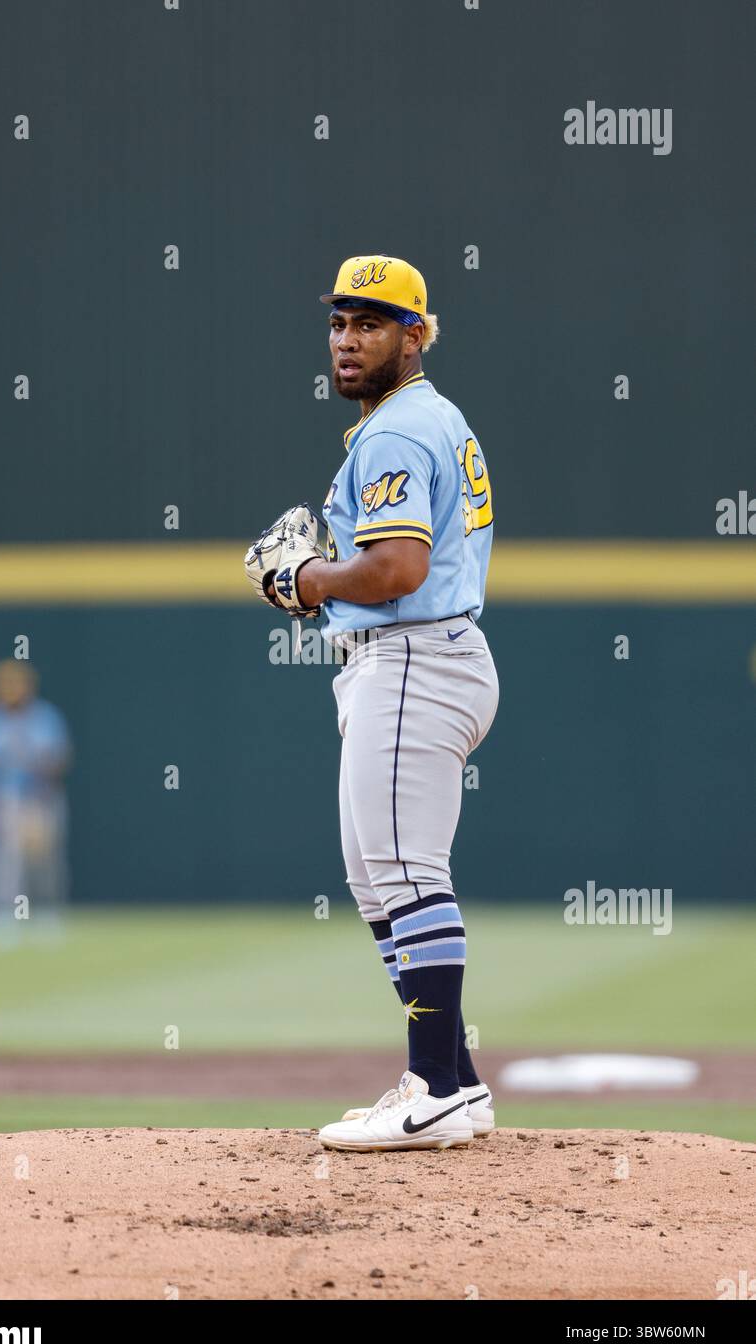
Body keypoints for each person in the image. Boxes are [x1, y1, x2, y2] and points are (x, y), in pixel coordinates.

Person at [245, 256, 499, 1151]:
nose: (349, 341)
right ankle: (457, 1080)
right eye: (340, 323)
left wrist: (304, 579)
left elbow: (398, 570)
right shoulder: (425, 421)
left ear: (415, 334)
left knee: (405, 873)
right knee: (375, 876)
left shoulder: (396, 431)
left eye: (374, 323)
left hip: (412, 659)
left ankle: (431, 1083)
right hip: (417, 660)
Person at [0, 660, 72, 939]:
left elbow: (60, 756)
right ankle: (4, 916)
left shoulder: (44, 717)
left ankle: (47, 915)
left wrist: (37, 768)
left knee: (44, 862)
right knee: (5, 862)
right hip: (5, 798)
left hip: (40, 798)